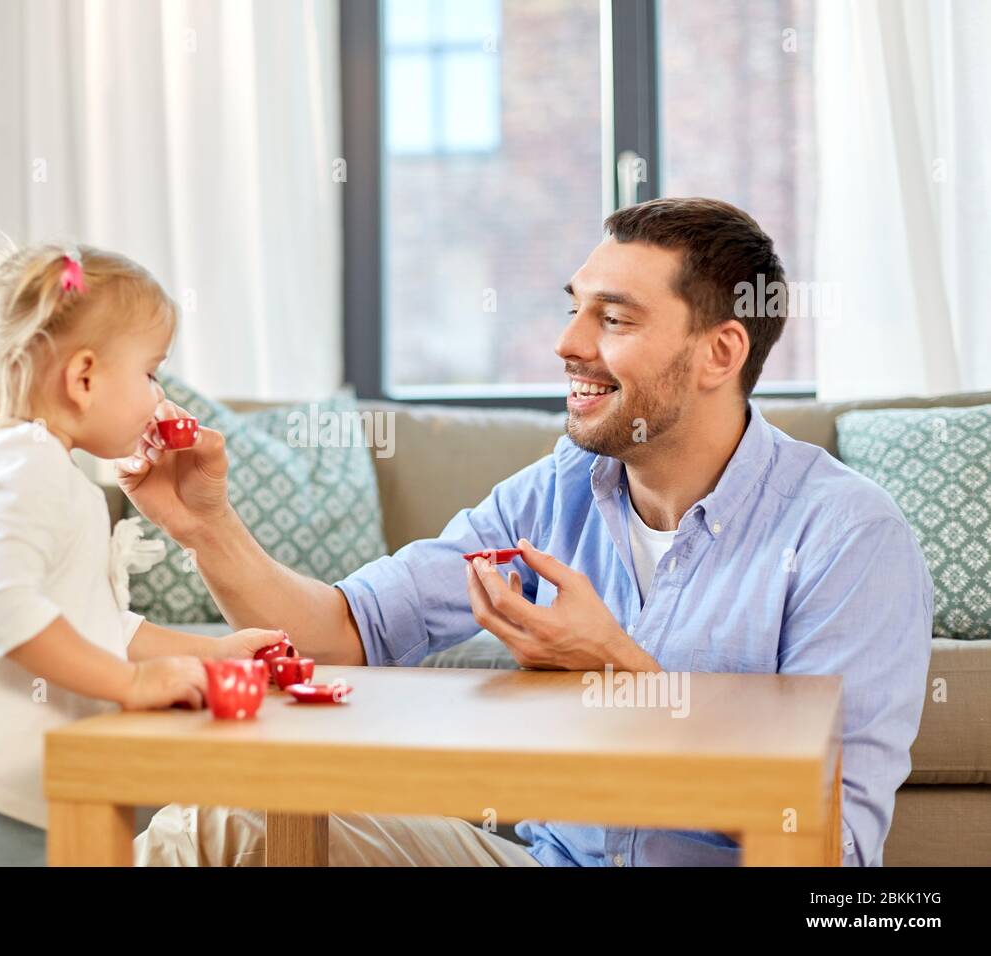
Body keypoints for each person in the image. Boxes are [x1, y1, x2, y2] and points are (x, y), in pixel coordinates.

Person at [119, 199, 933, 867]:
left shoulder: (847, 538)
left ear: (720, 352)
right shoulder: (556, 491)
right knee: (216, 826)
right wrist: (207, 527)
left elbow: (833, 856)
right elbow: (339, 637)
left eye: (613, 319)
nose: (568, 343)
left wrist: (618, 668)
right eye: (574, 309)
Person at [0, 241, 284, 866]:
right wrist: (132, 684)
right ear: (83, 378)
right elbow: (3, 611)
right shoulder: (24, 462)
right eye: (150, 373)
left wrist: (213, 651)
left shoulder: (55, 474)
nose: (159, 396)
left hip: (4, 786)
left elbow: (94, 624)